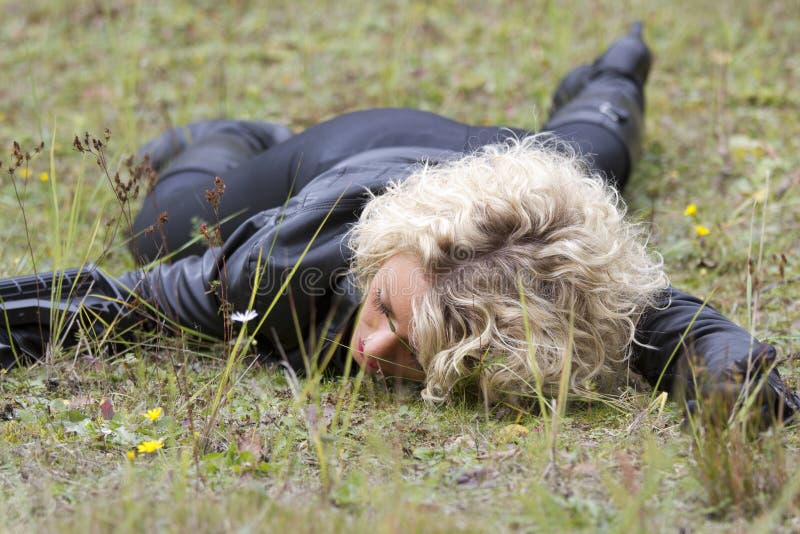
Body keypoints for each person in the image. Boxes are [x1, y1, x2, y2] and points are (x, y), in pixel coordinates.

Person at [1, 24, 797, 421]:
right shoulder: (289, 257)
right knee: (164, 226)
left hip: (501, 163)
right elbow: (127, 300)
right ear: (382, 258)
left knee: (595, 158)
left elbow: (687, 330)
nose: (374, 349)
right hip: (340, 155)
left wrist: (740, 384)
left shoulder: (562, 279)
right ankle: (235, 133)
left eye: (417, 350)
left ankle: (619, 65)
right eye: (385, 308)